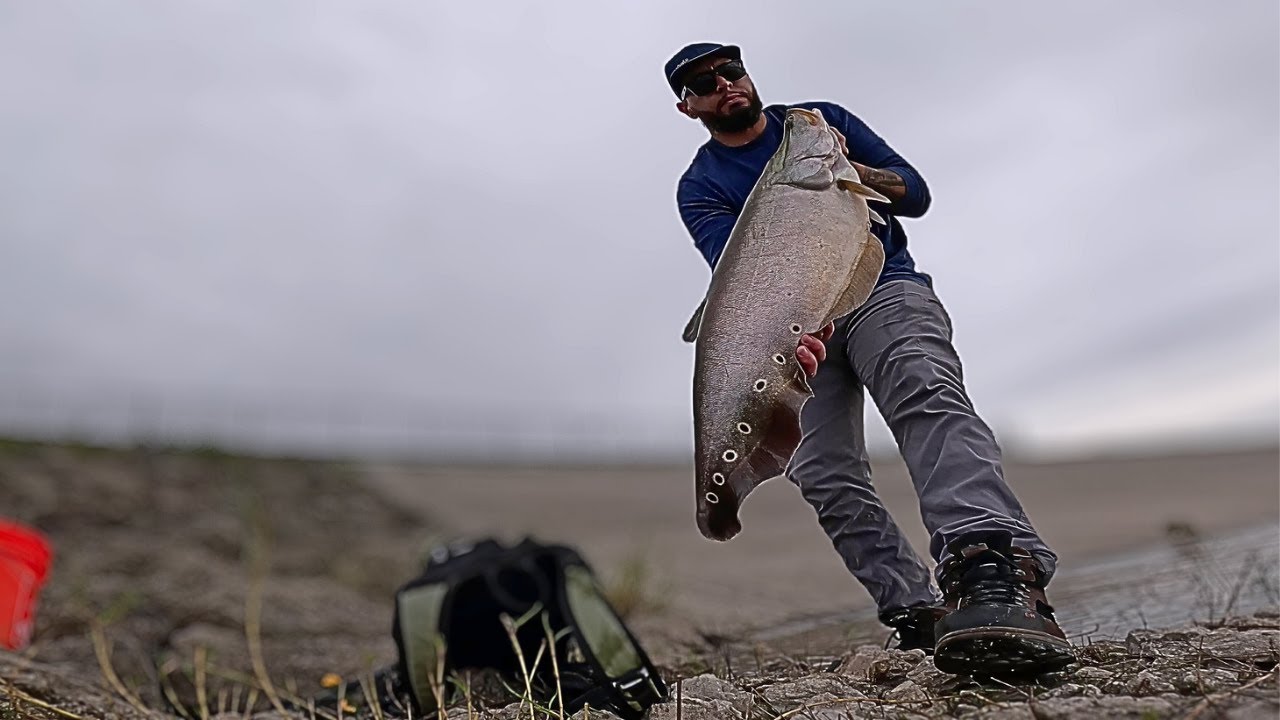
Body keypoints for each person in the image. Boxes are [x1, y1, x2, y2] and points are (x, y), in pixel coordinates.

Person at [665, 42, 1072, 676]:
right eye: (704, 83)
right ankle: (914, 608)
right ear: (688, 106)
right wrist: (789, 337)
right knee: (822, 470)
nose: (725, 84)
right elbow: (739, 275)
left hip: (886, 287)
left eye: (731, 70)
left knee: (924, 390)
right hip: (803, 325)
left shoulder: (819, 122)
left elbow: (915, 194)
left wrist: (849, 171)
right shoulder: (699, 187)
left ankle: (991, 565)